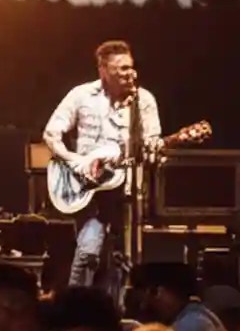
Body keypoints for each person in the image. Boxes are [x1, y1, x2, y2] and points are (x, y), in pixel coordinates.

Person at [43, 40, 161, 291]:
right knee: (88, 253)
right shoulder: (81, 95)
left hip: (129, 193)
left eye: (131, 68)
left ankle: (112, 316)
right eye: (121, 69)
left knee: (123, 263)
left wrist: (154, 153)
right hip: (90, 192)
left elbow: (152, 142)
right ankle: (75, 309)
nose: (129, 74)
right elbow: (51, 134)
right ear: (103, 70)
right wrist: (74, 162)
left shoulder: (144, 101)